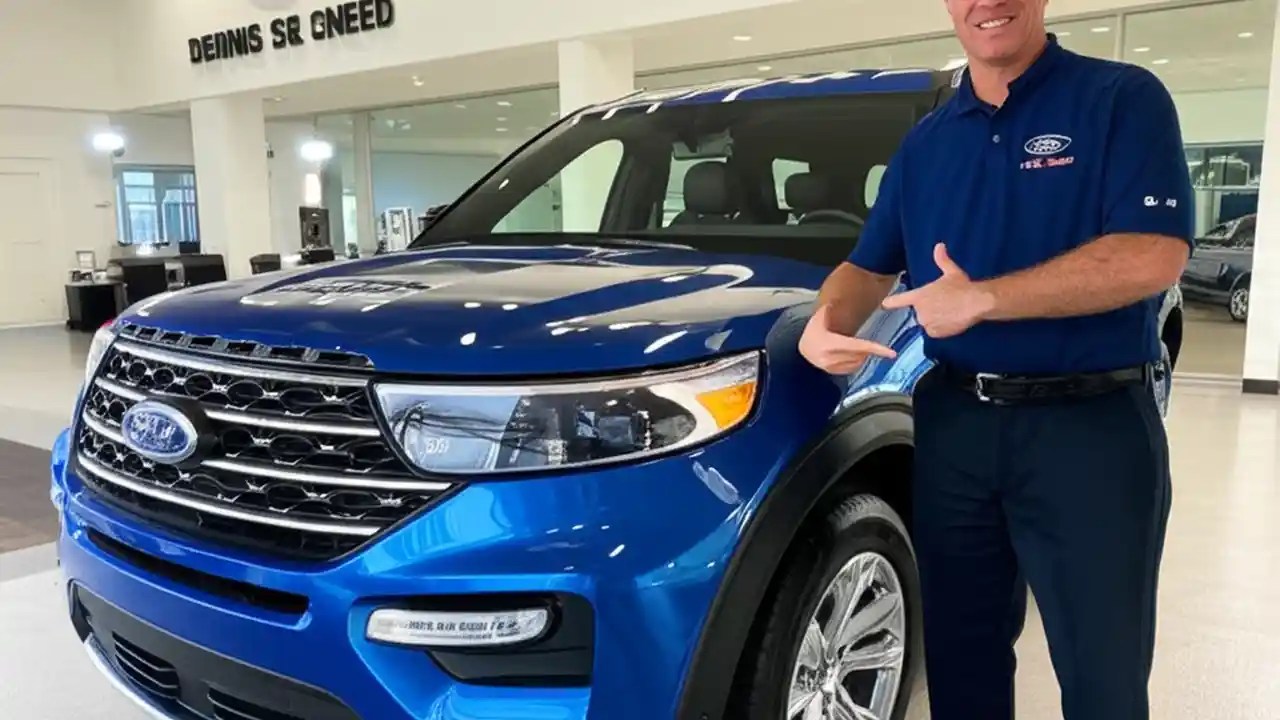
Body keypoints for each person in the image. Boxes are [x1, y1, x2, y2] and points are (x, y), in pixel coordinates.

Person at [797, 1, 1194, 719]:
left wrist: (984, 299)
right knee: (961, 660)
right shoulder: (925, 146)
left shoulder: (1120, 99)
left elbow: (1152, 253)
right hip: (956, 427)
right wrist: (823, 324)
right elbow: (867, 267)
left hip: (1092, 428)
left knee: (1102, 671)